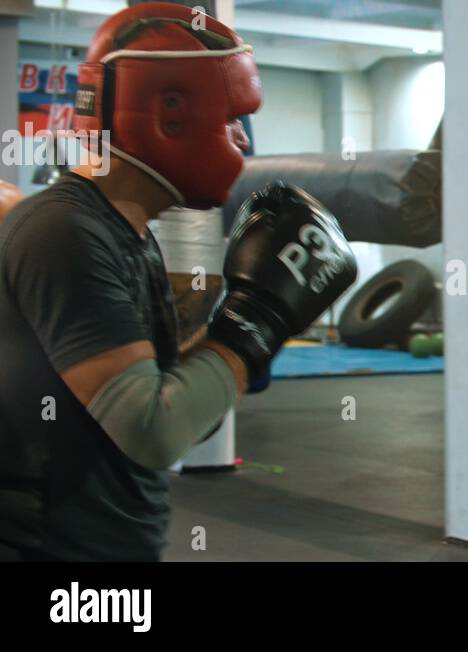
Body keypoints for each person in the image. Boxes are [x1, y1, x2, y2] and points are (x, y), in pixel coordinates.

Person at [0, 3, 356, 562]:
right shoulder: (65, 232)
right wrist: (256, 321)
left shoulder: (125, 233)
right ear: (170, 113)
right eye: (232, 118)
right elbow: (153, 431)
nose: (242, 140)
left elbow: (173, 403)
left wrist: (251, 320)